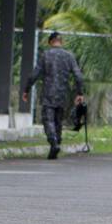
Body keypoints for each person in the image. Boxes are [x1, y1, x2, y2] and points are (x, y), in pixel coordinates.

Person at [21, 32, 85, 160]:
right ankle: (56, 143)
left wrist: (26, 90)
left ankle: (54, 143)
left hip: (48, 93)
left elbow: (34, 75)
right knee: (58, 120)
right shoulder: (69, 56)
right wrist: (80, 93)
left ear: (50, 42)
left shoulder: (46, 55)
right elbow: (78, 76)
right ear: (61, 42)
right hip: (62, 94)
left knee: (48, 119)